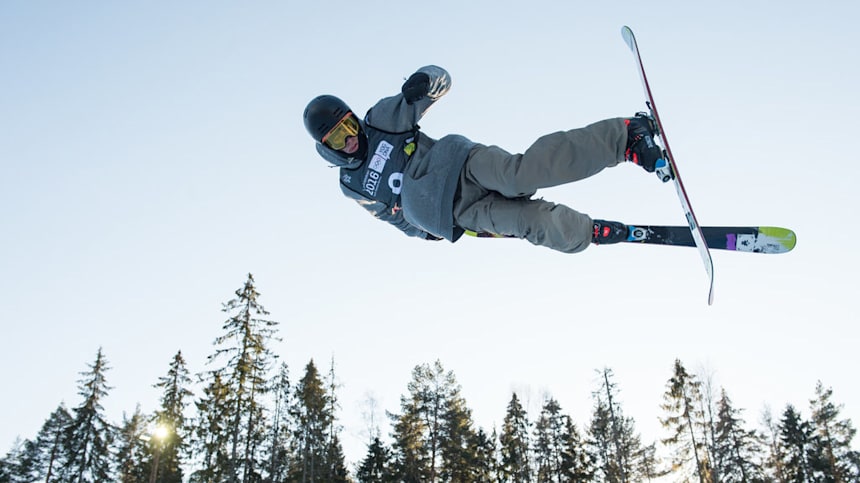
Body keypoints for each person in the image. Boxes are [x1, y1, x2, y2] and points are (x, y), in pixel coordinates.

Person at [302, 65, 667, 254]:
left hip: (459, 165)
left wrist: (424, 82)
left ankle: (626, 137)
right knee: (527, 223)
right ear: (326, 145)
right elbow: (391, 219)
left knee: (519, 175)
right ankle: (586, 232)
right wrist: (425, 234)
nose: (350, 138)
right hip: (454, 215)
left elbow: (440, 80)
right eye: (337, 136)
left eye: (348, 126)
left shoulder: (380, 121)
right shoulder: (351, 186)